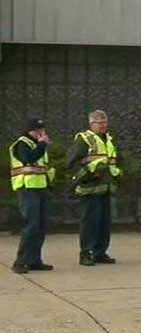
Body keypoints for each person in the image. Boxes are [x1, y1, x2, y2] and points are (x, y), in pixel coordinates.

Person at [66, 110, 121, 266]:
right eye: (100, 123)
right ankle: (86, 253)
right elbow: (71, 164)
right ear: (91, 124)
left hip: (106, 187)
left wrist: (118, 174)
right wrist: (87, 175)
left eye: (105, 122)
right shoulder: (84, 140)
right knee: (90, 222)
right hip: (90, 189)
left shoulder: (109, 140)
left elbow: (116, 160)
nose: (103, 125)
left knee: (104, 222)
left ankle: (100, 252)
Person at [9, 119, 55, 273]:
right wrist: (42, 145)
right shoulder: (22, 144)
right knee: (31, 225)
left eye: (43, 129)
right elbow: (29, 158)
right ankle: (21, 262)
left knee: (41, 225)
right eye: (39, 130)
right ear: (31, 131)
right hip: (27, 189)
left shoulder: (38, 144)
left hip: (40, 188)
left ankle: (34, 260)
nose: (42, 133)